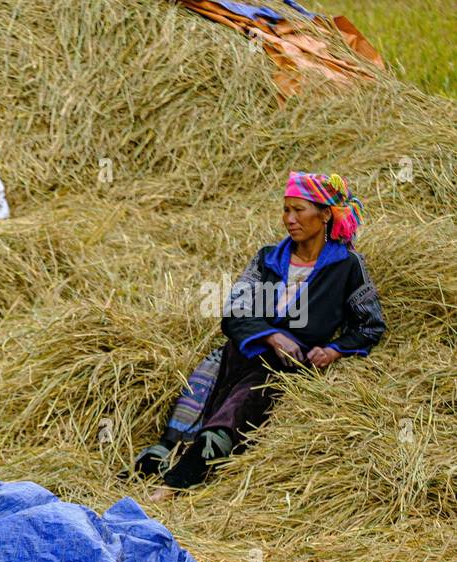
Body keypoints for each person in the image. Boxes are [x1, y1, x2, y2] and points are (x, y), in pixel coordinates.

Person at [142, 170, 385, 497]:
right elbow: (234, 310)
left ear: (325, 214)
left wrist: (333, 350)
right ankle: (164, 452)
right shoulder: (268, 259)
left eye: (299, 209)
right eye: (286, 209)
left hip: (282, 366)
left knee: (241, 404)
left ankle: (181, 479)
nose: (290, 219)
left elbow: (369, 324)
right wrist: (272, 335)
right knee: (200, 387)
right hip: (241, 350)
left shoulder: (347, 266)